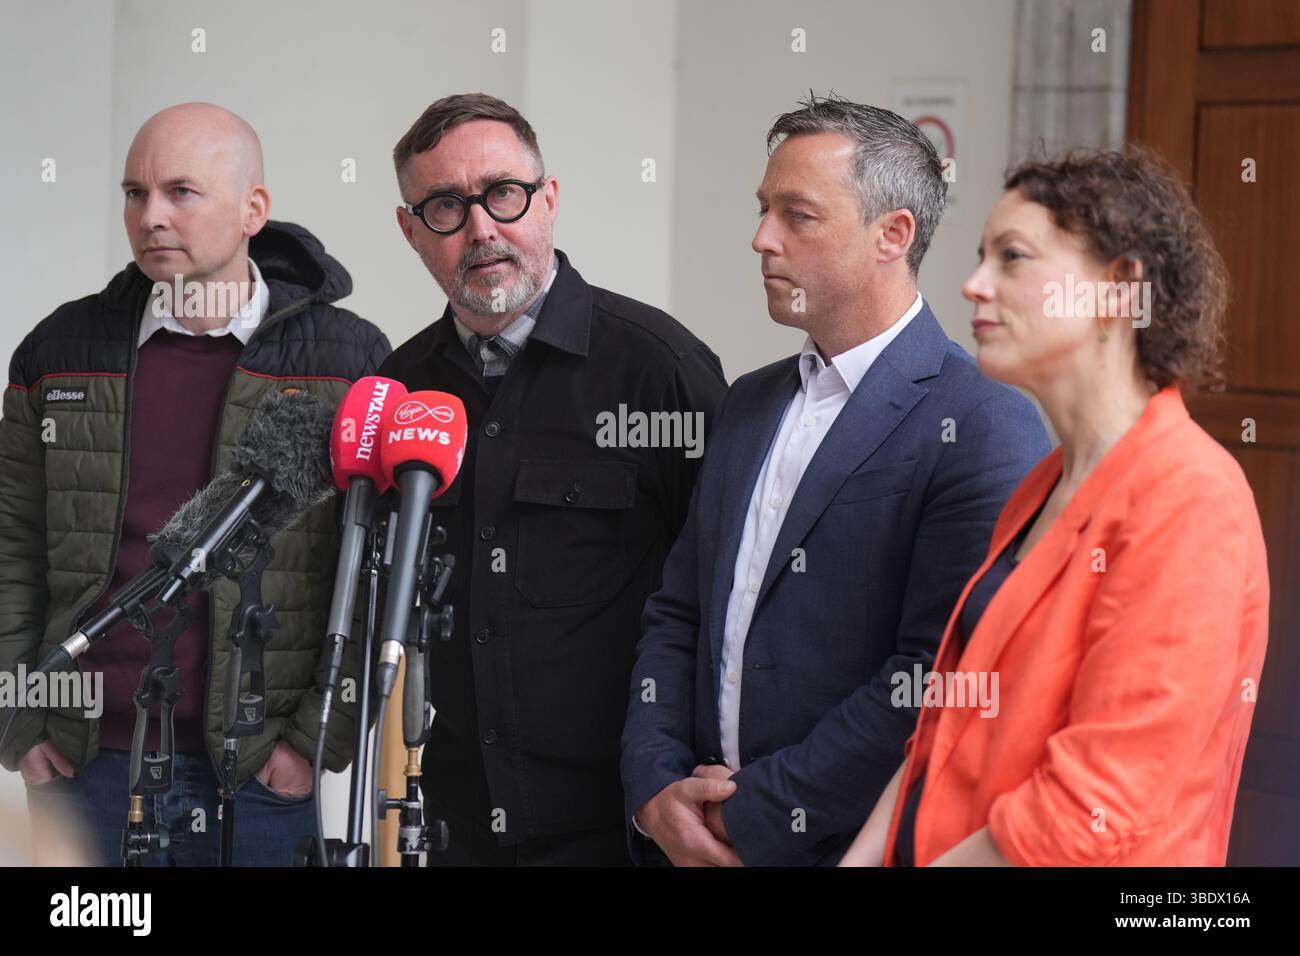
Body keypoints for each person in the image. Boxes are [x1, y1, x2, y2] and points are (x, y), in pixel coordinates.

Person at [620, 94, 1050, 867]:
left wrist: (751, 814)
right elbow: (677, 612)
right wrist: (656, 791)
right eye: (763, 209)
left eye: (798, 215)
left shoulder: (983, 422)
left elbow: (936, 676)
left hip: (850, 848)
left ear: (893, 235)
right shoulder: (749, 402)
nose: (761, 238)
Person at [842, 146, 1268, 867]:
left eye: (1013, 257)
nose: (974, 285)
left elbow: (1088, 810)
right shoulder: (1041, 488)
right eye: (981, 256)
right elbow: (938, 738)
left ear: (1119, 287)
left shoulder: (1190, 497)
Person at [0, 102, 390, 866]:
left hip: (258, 776)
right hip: (83, 764)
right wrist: (21, 720)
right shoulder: (60, 349)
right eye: (134, 194)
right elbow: (11, 543)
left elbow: (370, 572)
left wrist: (316, 741)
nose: (151, 217)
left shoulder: (349, 360)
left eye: (182, 192)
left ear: (254, 210)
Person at [378, 92, 727, 865]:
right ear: (410, 231)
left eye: (503, 193)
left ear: (550, 199)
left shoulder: (660, 370)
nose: (481, 229)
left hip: (623, 827)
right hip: (456, 823)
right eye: (444, 206)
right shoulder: (402, 391)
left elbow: (725, 601)